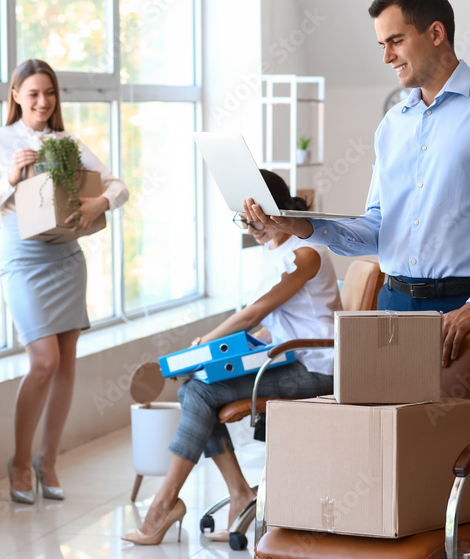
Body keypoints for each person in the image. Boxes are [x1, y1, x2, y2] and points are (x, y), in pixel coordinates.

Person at [245, 0, 470, 559]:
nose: (386, 56)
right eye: (381, 44)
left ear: (435, 32)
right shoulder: (393, 124)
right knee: (390, 459)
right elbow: (374, 227)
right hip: (394, 309)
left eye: (395, 41)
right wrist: (301, 226)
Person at [122, 170, 341, 546]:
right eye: (243, 218)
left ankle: (165, 503)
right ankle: (234, 494)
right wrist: (208, 358)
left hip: (316, 368)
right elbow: (271, 326)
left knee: (198, 393)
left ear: (276, 209)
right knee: (196, 388)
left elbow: (252, 316)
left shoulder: (306, 253)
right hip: (287, 357)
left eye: (256, 215)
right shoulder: (275, 250)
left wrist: (201, 345)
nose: (250, 226)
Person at [0, 58, 129, 505]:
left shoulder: (67, 142)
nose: (42, 102)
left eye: (50, 93)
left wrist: (99, 203)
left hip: (66, 256)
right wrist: (10, 178)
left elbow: (119, 186)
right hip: (22, 257)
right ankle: (20, 461)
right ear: (16, 95)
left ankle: (48, 460)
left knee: (67, 363)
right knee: (44, 361)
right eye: (33, 93)